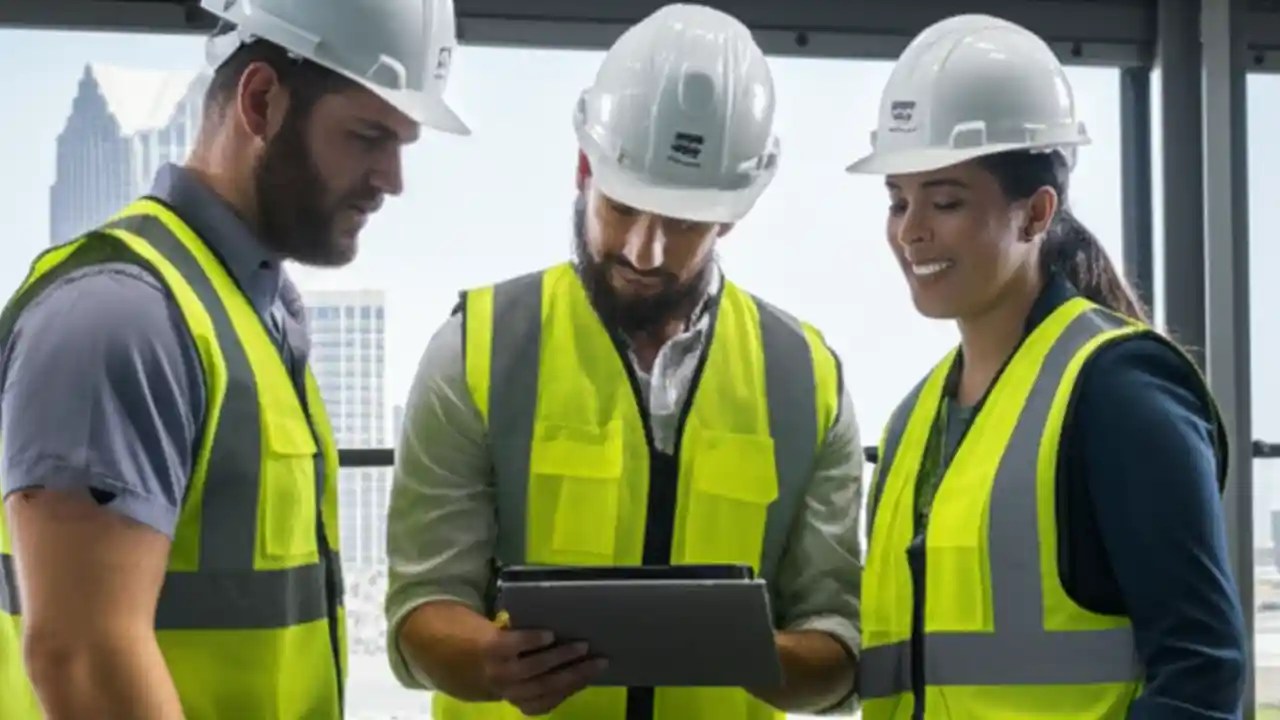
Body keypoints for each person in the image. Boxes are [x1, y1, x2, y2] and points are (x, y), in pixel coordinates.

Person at [384, 4, 863, 719]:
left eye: (682, 224)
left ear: (734, 214)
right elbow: (422, 610)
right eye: (623, 208)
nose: (645, 251)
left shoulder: (807, 380)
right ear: (583, 168)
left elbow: (840, 646)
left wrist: (751, 655)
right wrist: (490, 662)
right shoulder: (475, 352)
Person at [0, 1, 468, 718]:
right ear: (259, 101)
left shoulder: (255, 314)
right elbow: (83, 655)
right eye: (369, 136)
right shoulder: (120, 316)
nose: (392, 178)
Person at [846, 13, 1248, 720]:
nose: (910, 230)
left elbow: (1201, 673)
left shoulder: (1118, 391)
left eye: (945, 201)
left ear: (1035, 214)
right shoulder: (913, 423)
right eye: (898, 200)